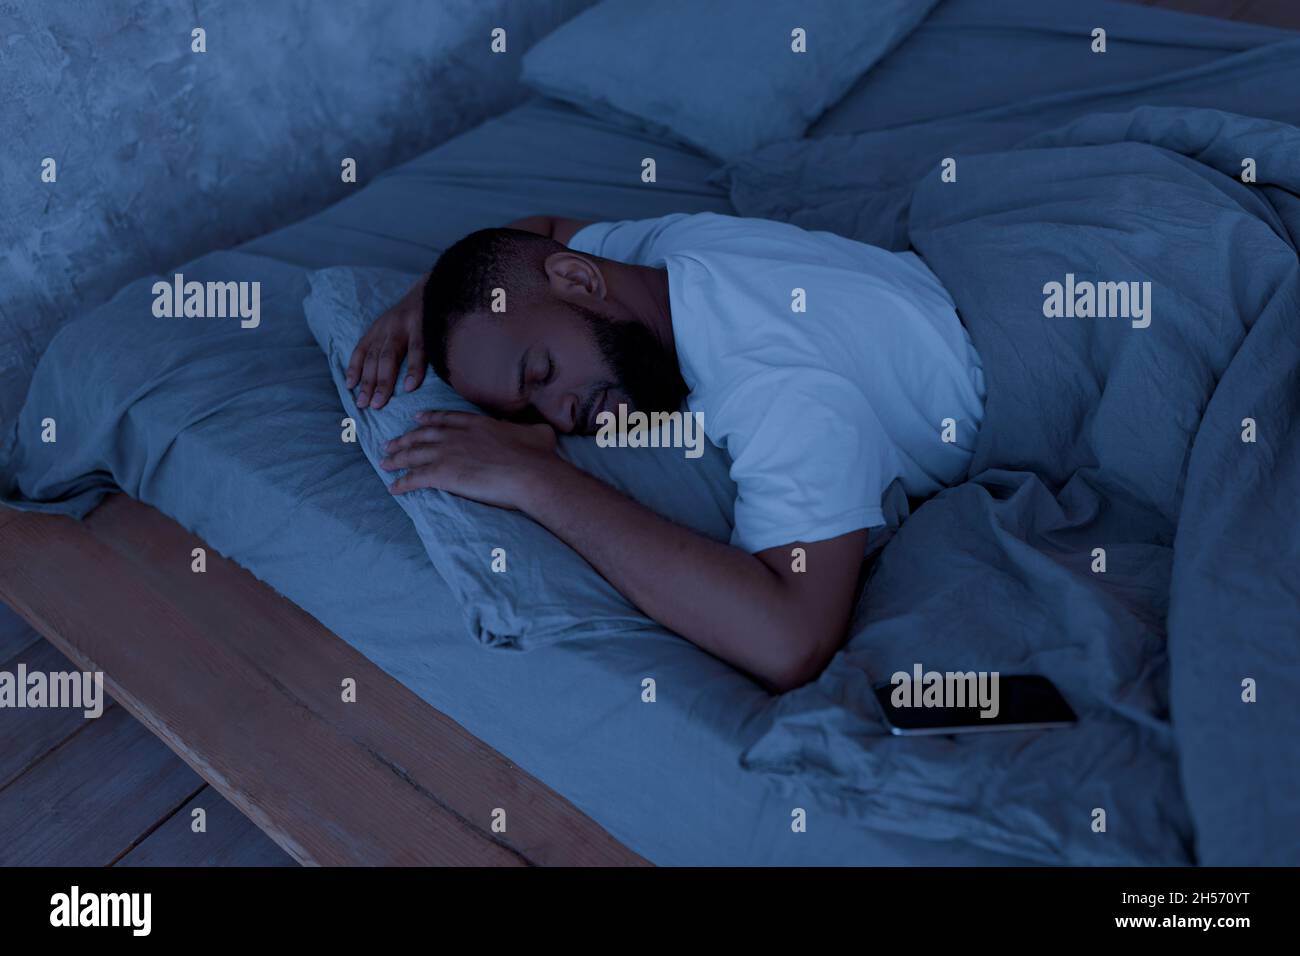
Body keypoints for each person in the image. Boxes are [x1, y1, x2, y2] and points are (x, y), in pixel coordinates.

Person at [345, 212, 986, 692]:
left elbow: (791, 642)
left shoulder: (779, 391)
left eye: (540, 374)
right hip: (908, 292)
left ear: (578, 277)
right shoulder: (652, 259)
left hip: (994, 344)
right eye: (527, 413)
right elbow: (539, 228)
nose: (560, 416)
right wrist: (424, 300)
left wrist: (536, 479)